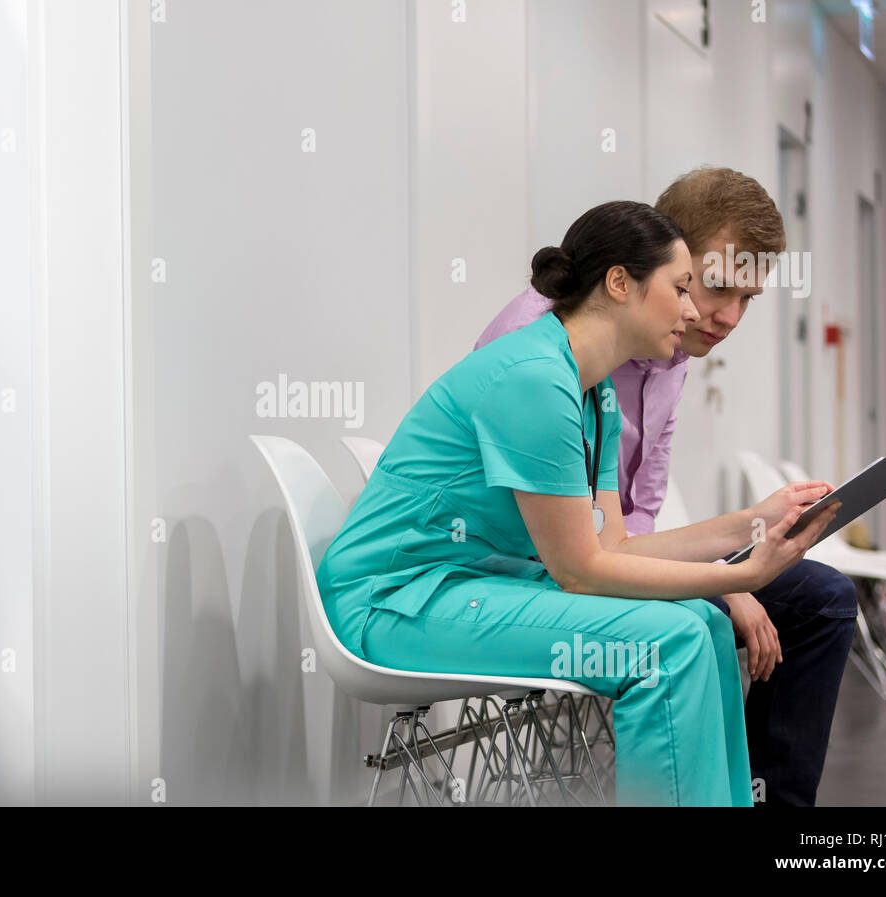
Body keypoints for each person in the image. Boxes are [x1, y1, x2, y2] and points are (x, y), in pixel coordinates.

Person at [315, 200, 839, 807]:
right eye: (682, 289)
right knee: (667, 644)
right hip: (390, 603)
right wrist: (744, 573)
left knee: (703, 624)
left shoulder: (595, 396)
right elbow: (580, 571)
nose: (695, 311)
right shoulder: (534, 378)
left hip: (458, 586)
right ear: (620, 283)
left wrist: (755, 521)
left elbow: (613, 547)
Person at [475, 167, 858, 807]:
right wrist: (727, 582)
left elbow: (636, 519)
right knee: (700, 623)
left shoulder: (670, 359)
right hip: (535, 570)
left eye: (749, 300)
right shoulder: (548, 352)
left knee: (821, 599)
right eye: (712, 287)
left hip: (602, 557)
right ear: (664, 257)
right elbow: (573, 552)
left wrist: (736, 562)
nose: (728, 317)